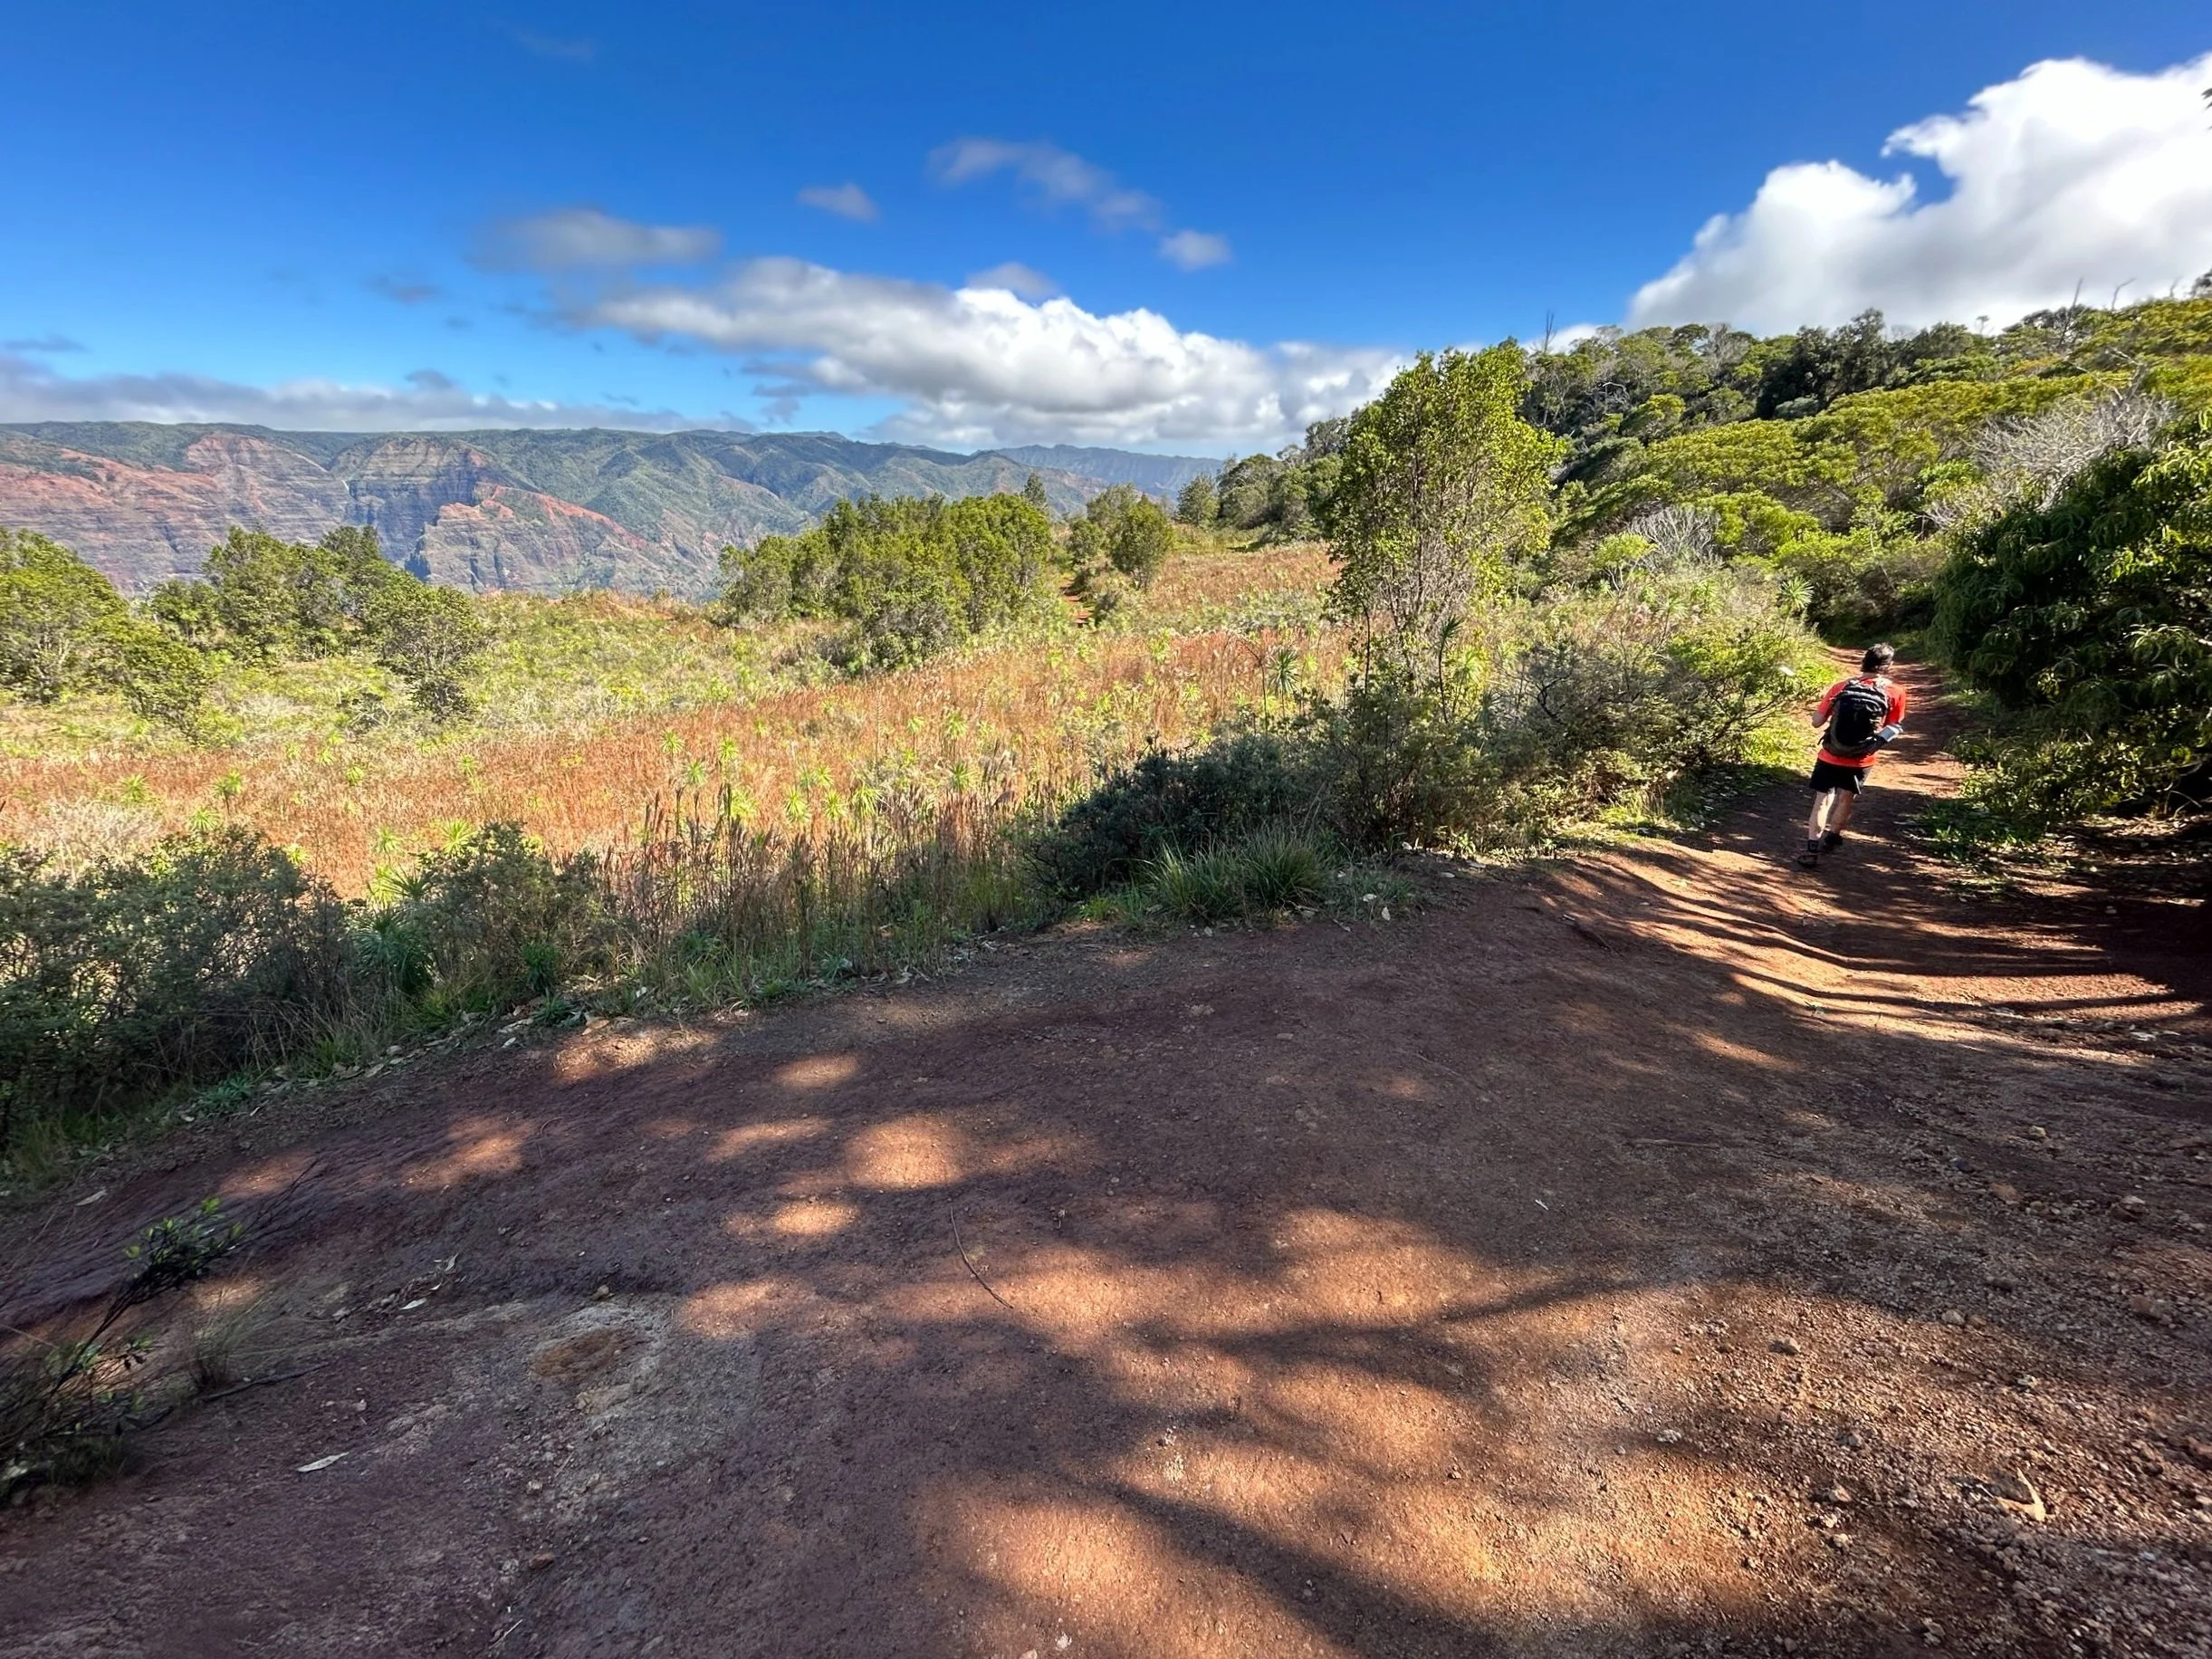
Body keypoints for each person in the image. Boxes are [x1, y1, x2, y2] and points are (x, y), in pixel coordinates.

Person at [1797, 644, 1907, 868]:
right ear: (1888, 666)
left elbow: (1817, 722)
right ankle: (1833, 836)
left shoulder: (1841, 687)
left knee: (1822, 801)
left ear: (1863, 661)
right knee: (1846, 798)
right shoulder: (1895, 692)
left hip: (1830, 755)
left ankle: (1811, 850)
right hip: (1861, 759)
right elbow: (1894, 725)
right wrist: (1875, 743)